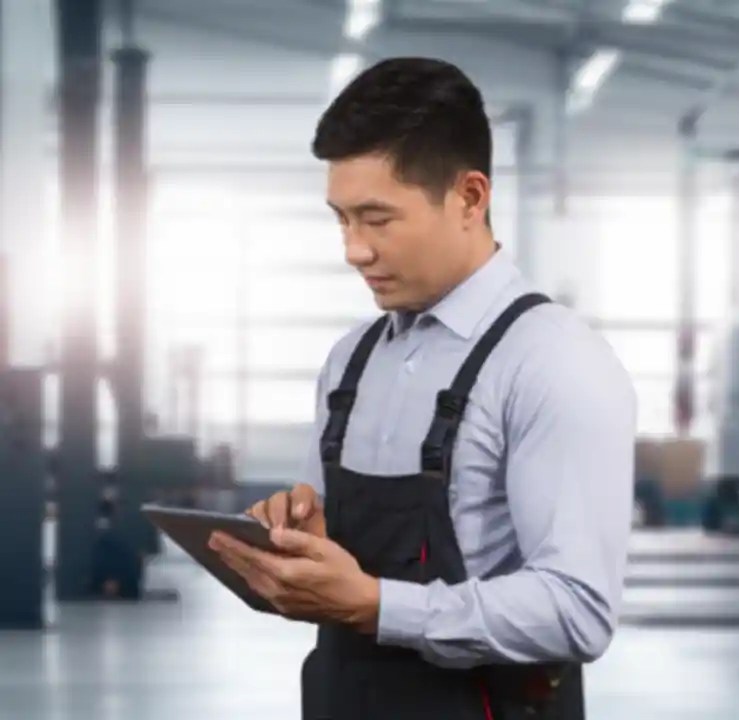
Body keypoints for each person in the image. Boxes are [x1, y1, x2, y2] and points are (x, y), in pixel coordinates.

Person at [207, 57, 637, 720]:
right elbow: (349, 572)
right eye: (341, 219)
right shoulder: (351, 361)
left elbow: (578, 611)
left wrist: (376, 605)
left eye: (378, 220)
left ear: (470, 197)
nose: (354, 250)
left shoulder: (551, 359)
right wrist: (305, 541)